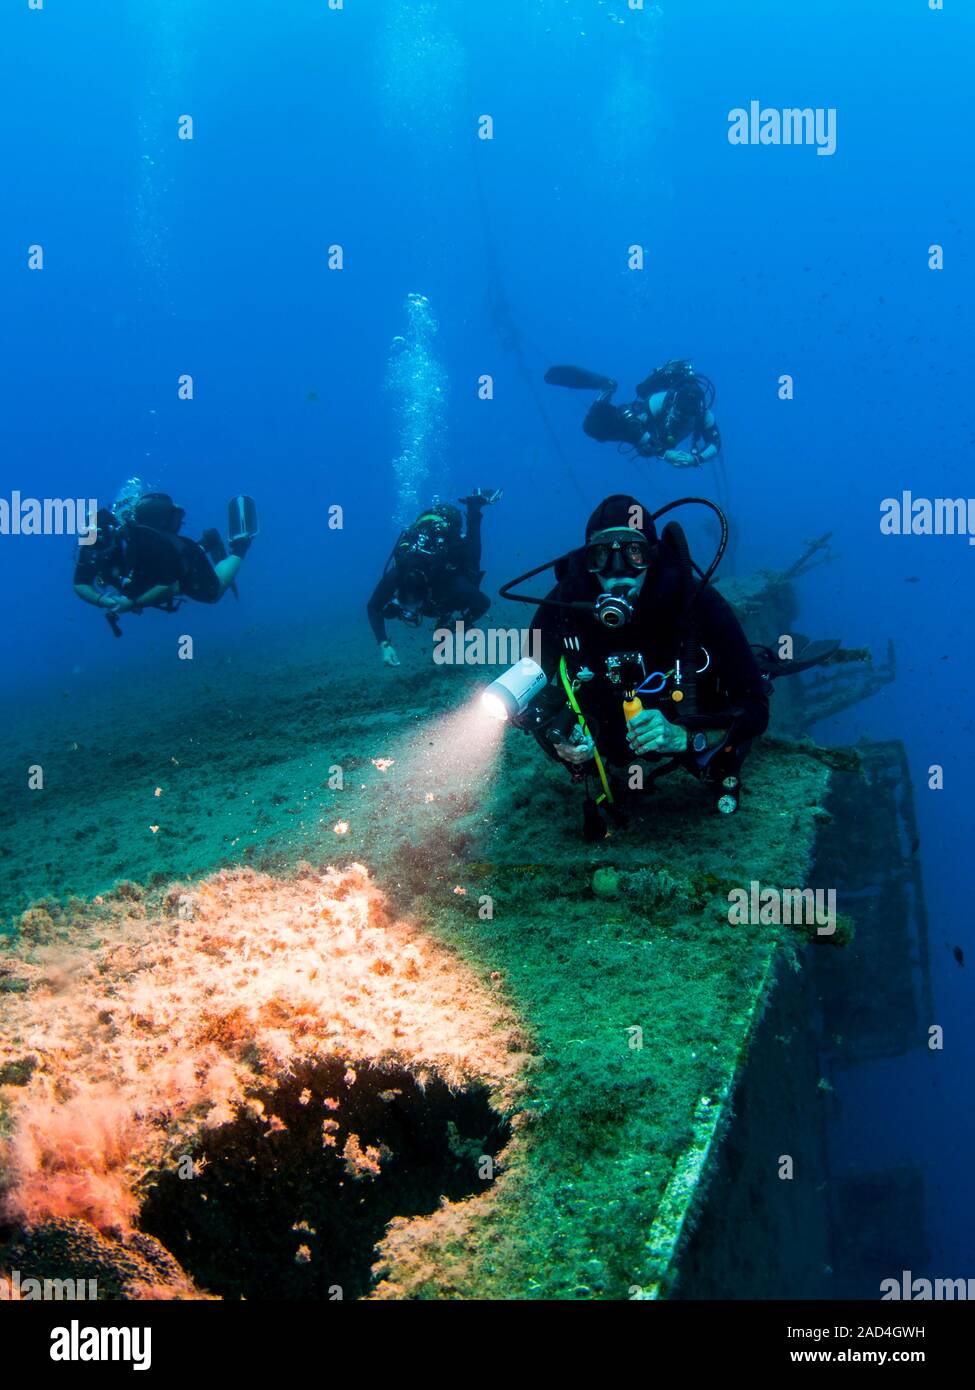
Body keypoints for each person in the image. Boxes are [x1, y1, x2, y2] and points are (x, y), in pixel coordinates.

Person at [494, 493, 768, 835]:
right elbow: (527, 686)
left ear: (652, 556)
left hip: (682, 720)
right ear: (587, 560)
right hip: (605, 729)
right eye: (602, 556)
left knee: (720, 754)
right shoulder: (564, 602)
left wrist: (685, 736)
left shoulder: (695, 601)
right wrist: (558, 739)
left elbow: (755, 707)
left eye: (633, 552)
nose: (618, 571)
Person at [73, 479, 257, 636]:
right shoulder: (91, 544)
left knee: (211, 593)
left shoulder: (144, 540)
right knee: (150, 581)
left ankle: (241, 546)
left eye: (103, 549)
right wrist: (100, 600)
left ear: (114, 534)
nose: (99, 555)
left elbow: (169, 584)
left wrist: (133, 603)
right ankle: (206, 543)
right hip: (153, 569)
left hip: (177, 560)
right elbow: (80, 583)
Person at [367, 489, 501, 666]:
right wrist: (384, 644)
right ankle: (443, 620)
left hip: (446, 556)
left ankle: (474, 506)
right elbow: (373, 606)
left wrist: (457, 626)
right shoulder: (400, 572)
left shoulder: (450, 582)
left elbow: (484, 603)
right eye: (404, 608)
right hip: (428, 540)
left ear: (425, 595)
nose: (408, 615)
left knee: (472, 563)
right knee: (439, 607)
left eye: (409, 609)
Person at [545, 359, 721, 469]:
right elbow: (633, 424)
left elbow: (715, 443)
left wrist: (695, 459)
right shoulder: (662, 400)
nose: (684, 416)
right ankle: (608, 387)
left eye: (690, 412)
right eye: (682, 411)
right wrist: (665, 454)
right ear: (675, 401)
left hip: (654, 442)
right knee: (592, 427)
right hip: (636, 428)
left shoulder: (703, 416)